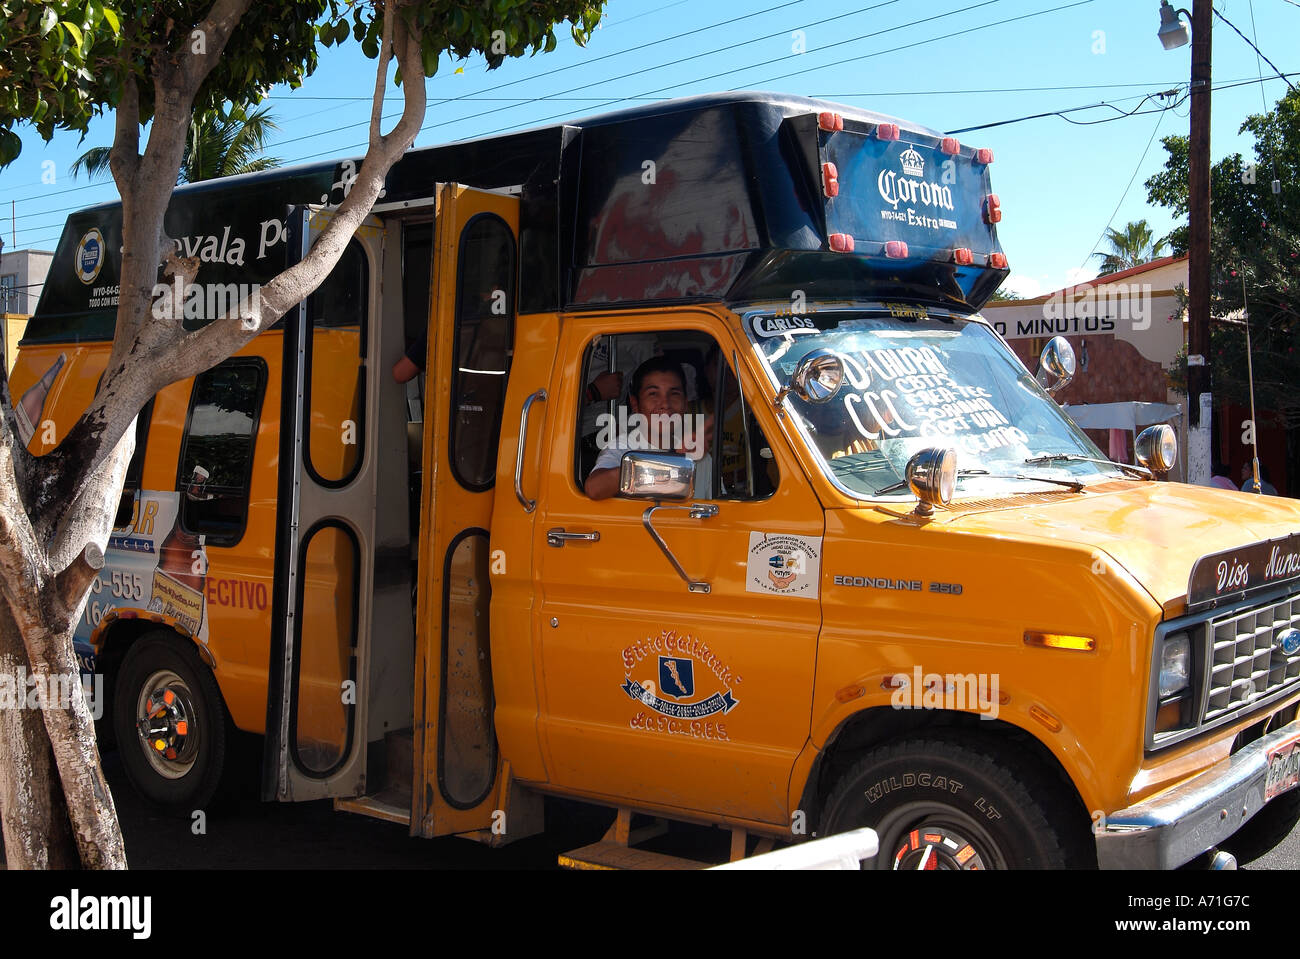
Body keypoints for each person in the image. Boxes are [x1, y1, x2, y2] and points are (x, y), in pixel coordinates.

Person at [585, 357, 711, 500]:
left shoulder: (700, 455)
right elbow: (594, 488)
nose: (665, 403)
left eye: (674, 393)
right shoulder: (621, 448)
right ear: (635, 404)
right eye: (653, 394)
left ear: (685, 403)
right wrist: (673, 462)